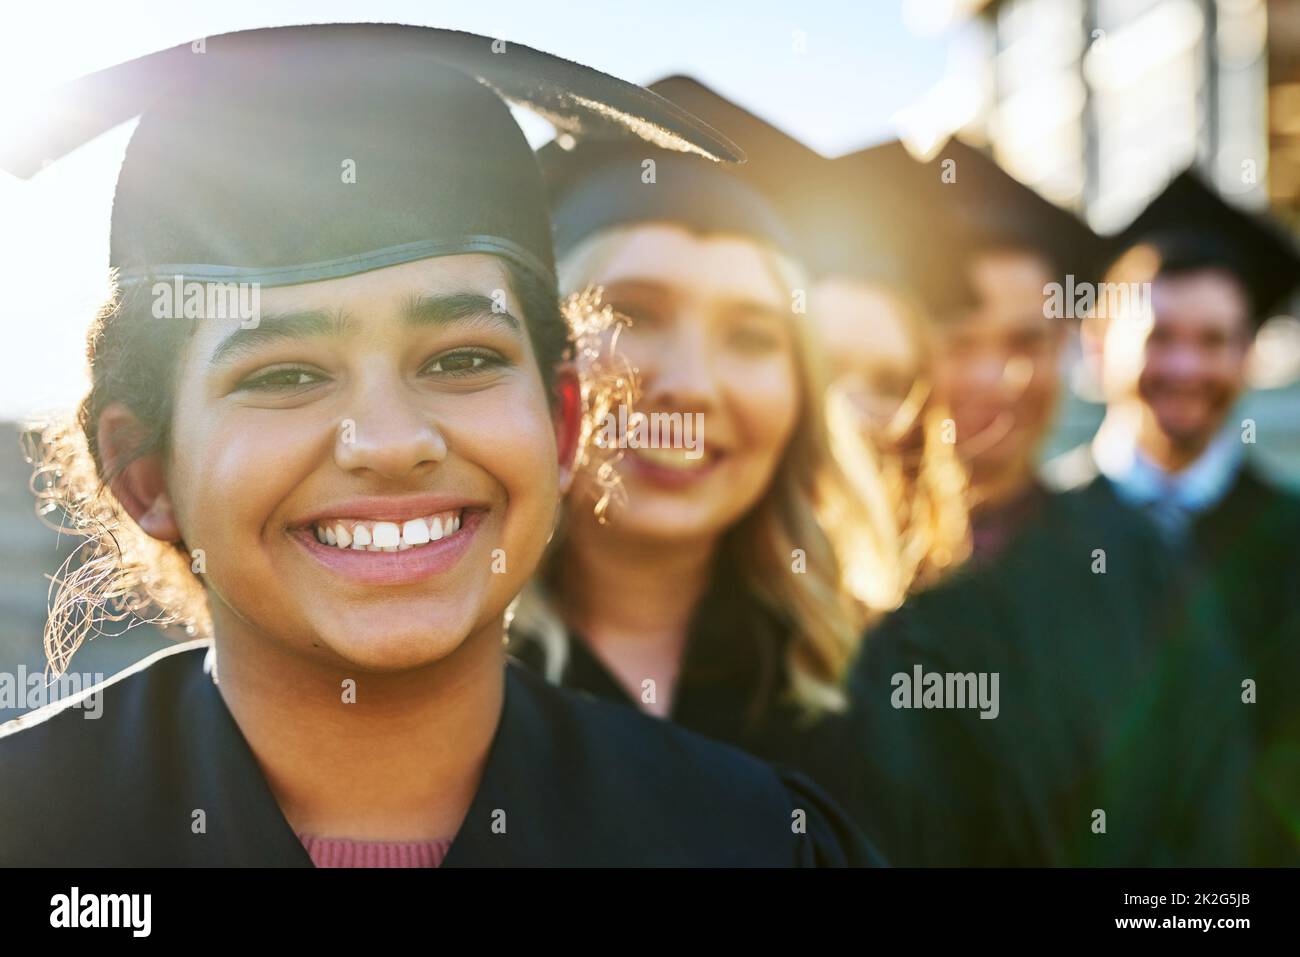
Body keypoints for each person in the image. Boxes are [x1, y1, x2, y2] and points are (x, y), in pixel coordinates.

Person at [0, 25, 875, 867]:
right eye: (286, 375)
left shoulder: (749, 839)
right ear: (144, 470)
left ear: (564, 424)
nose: (390, 442)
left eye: (462, 359)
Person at [507, 77, 897, 830]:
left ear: (803, 393)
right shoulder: (425, 686)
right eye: (631, 314)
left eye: (752, 335)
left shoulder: (888, 691)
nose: (690, 386)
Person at [843, 140, 1248, 865]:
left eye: (1027, 339)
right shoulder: (826, 578)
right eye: (960, 340)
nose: (999, 376)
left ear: (1067, 340)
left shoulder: (1142, 564)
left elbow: (1218, 828)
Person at [1046, 168, 1300, 864]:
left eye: (1215, 340)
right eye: (1160, 337)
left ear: (1247, 355)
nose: (1188, 366)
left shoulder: (1291, 539)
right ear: (1100, 344)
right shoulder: (1027, 540)